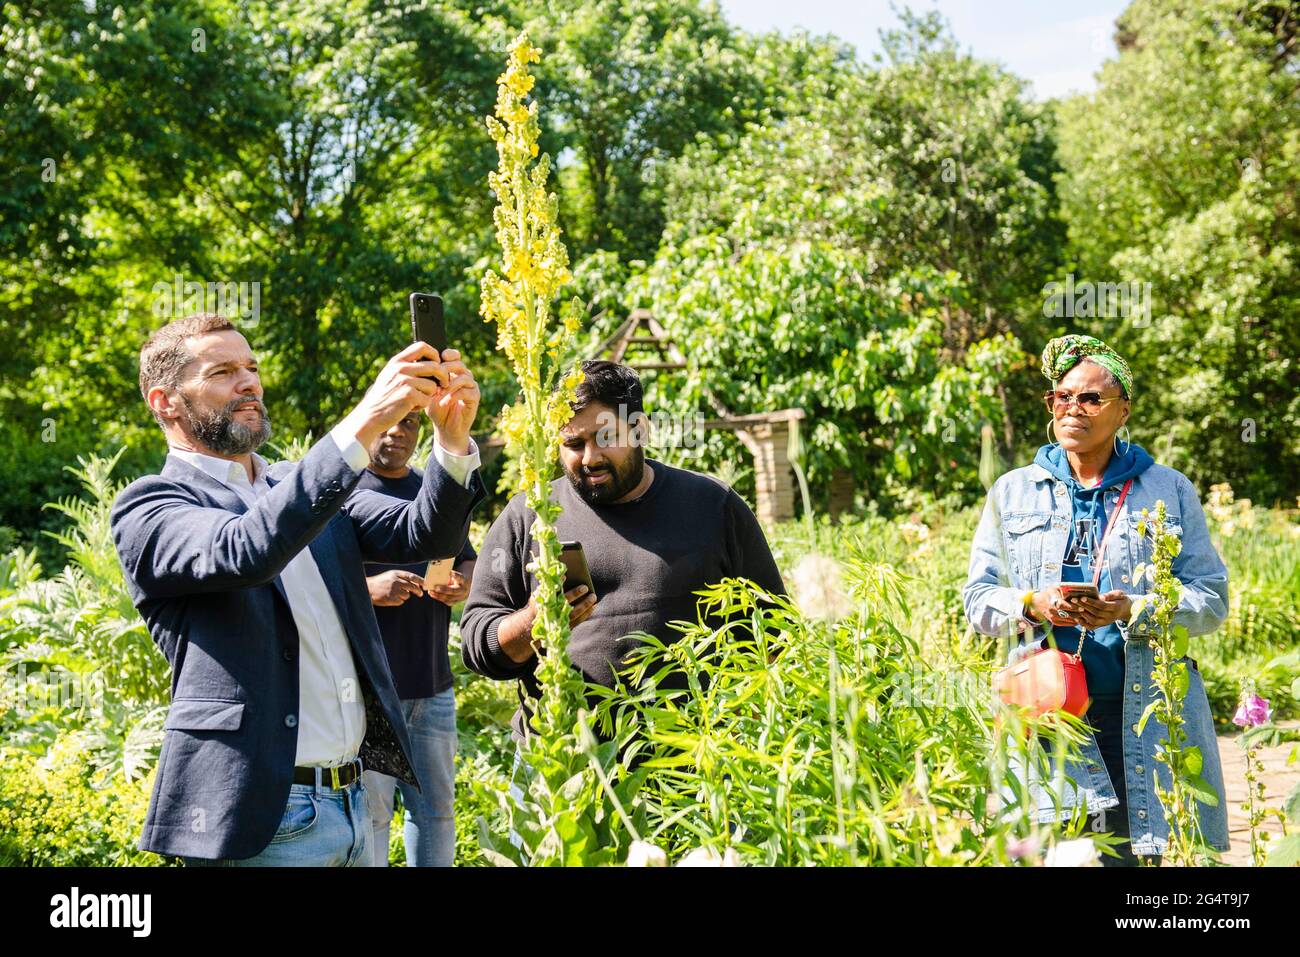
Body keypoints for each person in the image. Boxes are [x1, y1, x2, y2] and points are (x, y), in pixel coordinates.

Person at [110, 313, 485, 866]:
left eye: (252, 367)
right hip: (266, 819)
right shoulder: (151, 507)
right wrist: (365, 419)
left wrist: (452, 442)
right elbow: (246, 549)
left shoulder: (296, 481)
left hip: (356, 802)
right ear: (165, 401)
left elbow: (422, 532)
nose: (249, 383)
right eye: (223, 371)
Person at [963, 334, 1230, 865]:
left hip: (1142, 715)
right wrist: (1033, 603)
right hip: (1047, 717)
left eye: (1089, 399)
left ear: (1123, 410)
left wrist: (1133, 608)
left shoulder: (1167, 489)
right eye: (1061, 397)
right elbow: (977, 599)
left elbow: (1212, 599)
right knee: (1046, 854)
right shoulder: (1013, 491)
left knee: (1130, 859)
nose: (1072, 409)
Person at [460, 360, 786, 747]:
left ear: (640, 429)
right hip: (561, 768)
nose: (590, 457)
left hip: (692, 766)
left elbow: (773, 630)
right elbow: (478, 643)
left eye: (606, 437)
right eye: (574, 444)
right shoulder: (530, 515)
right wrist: (536, 621)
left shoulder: (712, 506)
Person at [358, 409, 476, 867]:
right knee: (371, 817)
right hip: (367, 695)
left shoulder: (433, 490)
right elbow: (308, 578)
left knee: (435, 814)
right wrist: (368, 590)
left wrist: (462, 583)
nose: (397, 432)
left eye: (409, 422)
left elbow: (466, 558)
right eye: (389, 420)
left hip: (432, 686)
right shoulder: (340, 492)